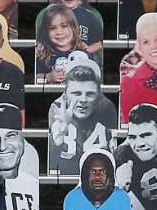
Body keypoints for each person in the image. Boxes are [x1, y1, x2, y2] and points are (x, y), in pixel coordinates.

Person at [48, 52, 118, 180]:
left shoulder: (108, 108)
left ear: (98, 94)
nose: (83, 99)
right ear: (66, 93)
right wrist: (60, 131)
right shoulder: (56, 108)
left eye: (90, 94)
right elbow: (49, 163)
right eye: (76, 93)